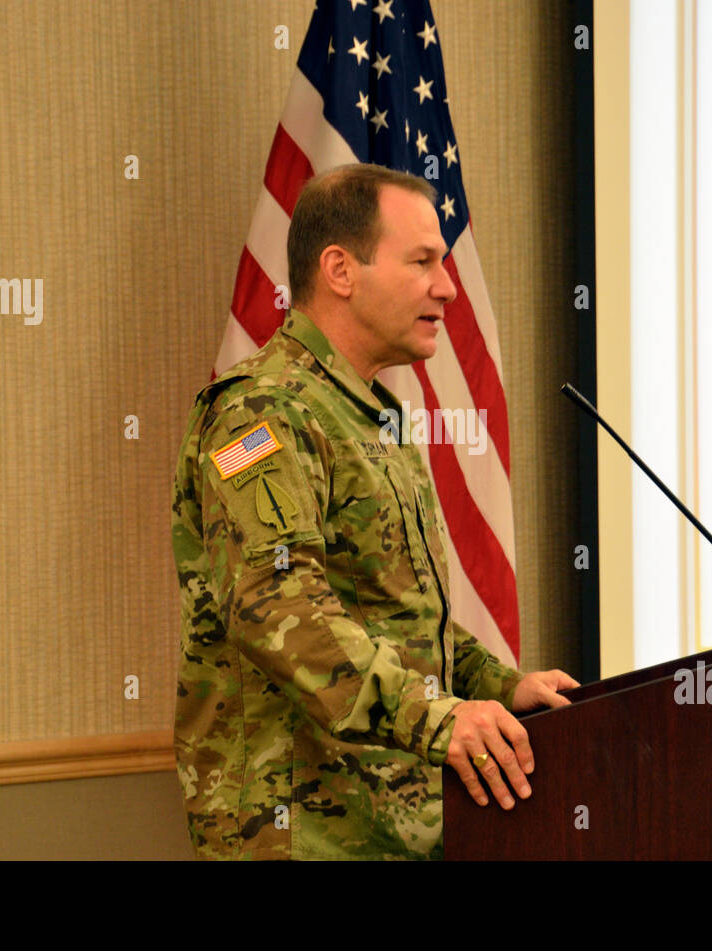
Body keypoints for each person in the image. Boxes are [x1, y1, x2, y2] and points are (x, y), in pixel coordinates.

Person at [171, 162, 579, 860]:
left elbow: (398, 615)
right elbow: (277, 606)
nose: (447, 286)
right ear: (339, 269)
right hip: (299, 833)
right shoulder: (259, 412)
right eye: (422, 260)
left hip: (392, 823)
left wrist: (502, 687)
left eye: (444, 263)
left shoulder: (373, 414)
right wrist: (437, 717)